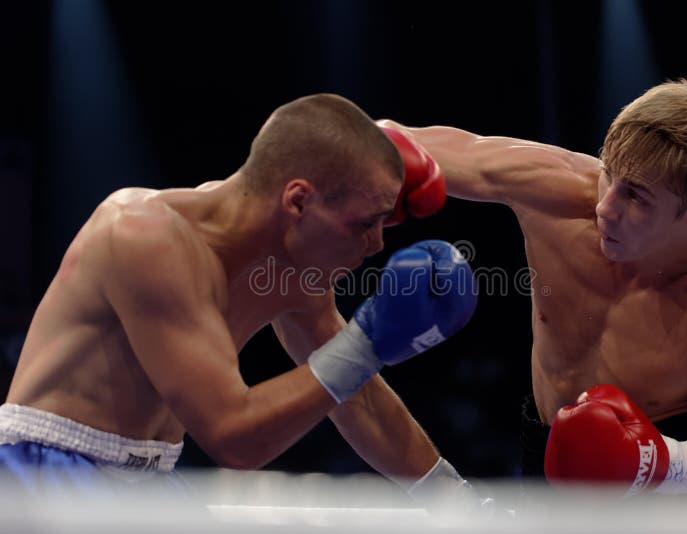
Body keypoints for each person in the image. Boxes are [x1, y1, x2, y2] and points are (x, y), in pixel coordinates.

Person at [0, 93, 478, 501]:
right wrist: (367, 343)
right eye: (364, 223)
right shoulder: (144, 237)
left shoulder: (294, 267)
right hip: (44, 472)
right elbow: (233, 437)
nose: (377, 244)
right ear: (297, 200)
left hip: (151, 476)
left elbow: (356, 396)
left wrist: (457, 502)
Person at [379, 79, 687, 495]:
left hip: (661, 497)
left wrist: (658, 462)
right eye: (608, 174)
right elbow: (396, 141)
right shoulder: (555, 191)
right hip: (539, 459)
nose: (604, 207)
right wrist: (351, 165)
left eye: (637, 197)